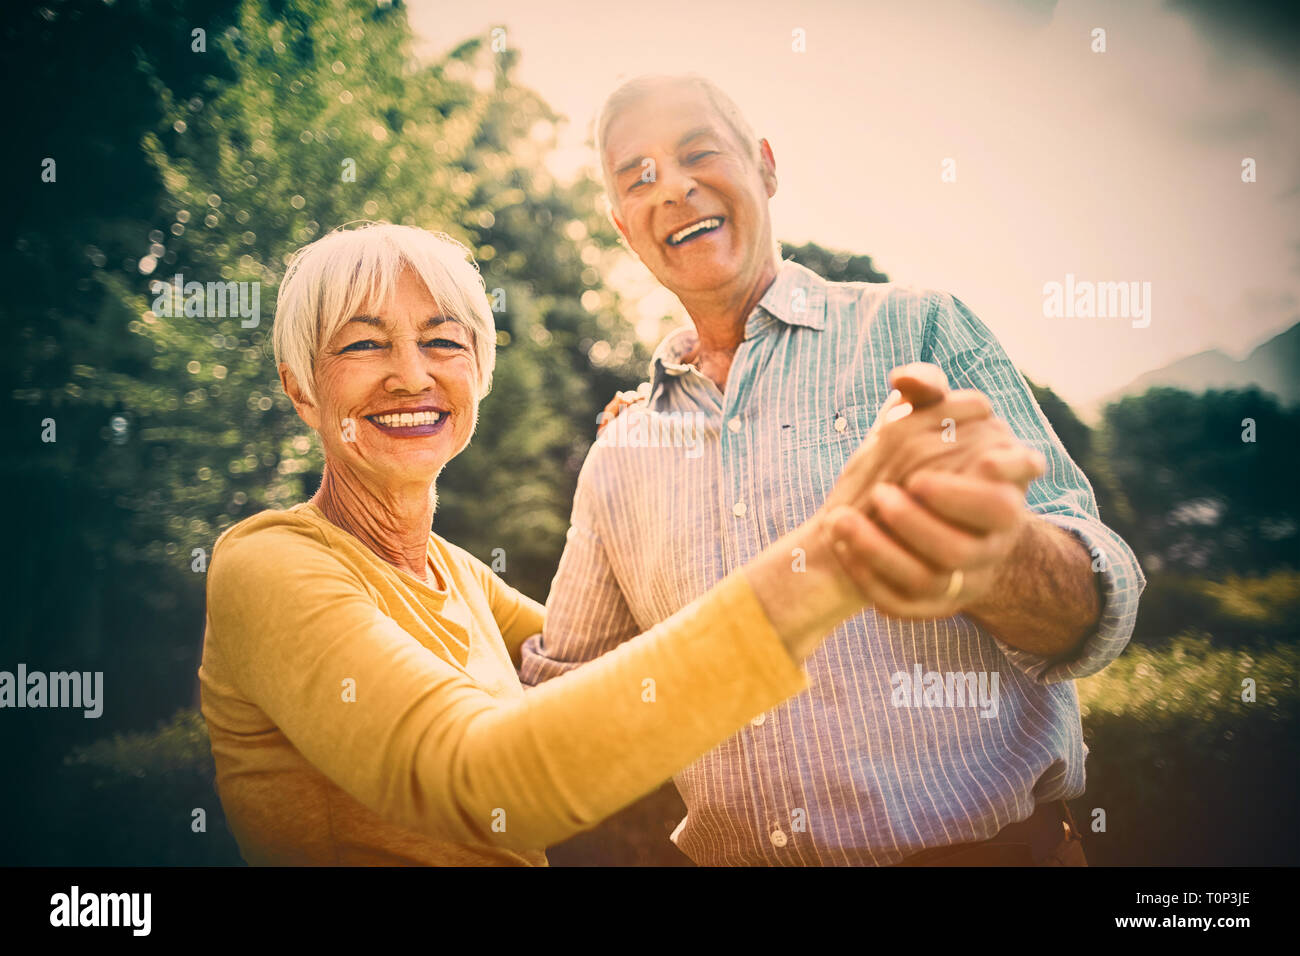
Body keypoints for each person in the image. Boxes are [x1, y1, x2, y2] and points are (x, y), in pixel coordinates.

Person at [196, 221, 1038, 865]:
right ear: (302, 388)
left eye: (443, 340)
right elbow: (479, 782)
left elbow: (642, 679)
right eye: (364, 343)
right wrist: (832, 556)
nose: (412, 374)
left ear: (478, 373)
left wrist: (660, 468)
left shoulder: (462, 579)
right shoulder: (265, 565)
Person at [518, 74, 1146, 866]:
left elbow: (1099, 608)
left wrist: (996, 560)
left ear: (766, 166)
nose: (672, 186)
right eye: (637, 176)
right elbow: (557, 716)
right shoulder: (619, 451)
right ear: (621, 225)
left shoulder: (920, 328)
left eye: (697, 151)